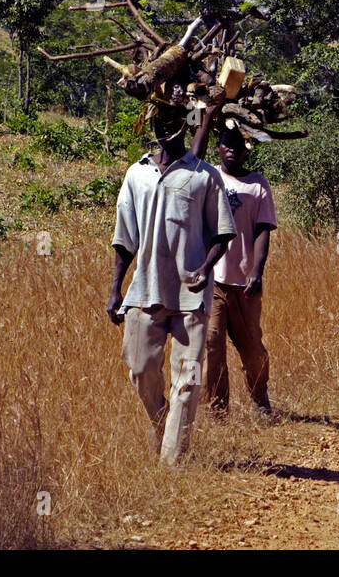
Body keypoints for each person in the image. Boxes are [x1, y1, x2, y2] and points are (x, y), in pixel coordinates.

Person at [107, 102, 237, 466]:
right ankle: (165, 426)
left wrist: (205, 269)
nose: (164, 128)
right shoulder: (137, 174)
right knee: (139, 366)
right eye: (158, 121)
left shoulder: (204, 175)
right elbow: (124, 239)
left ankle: (172, 464)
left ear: (185, 124)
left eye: (172, 122)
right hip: (144, 290)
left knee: (188, 380)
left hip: (191, 295)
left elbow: (222, 233)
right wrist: (115, 289)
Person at [191, 105, 277, 417]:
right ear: (219, 146)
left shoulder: (258, 184)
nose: (231, 149)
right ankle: (217, 411)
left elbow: (263, 229)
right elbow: (191, 161)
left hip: (244, 282)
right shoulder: (210, 177)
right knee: (212, 345)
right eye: (226, 143)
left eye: (237, 145)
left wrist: (257, 271)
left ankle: (260, 400)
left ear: (246, 150)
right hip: (213, 278)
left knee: (252, 346)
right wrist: (206, 117)